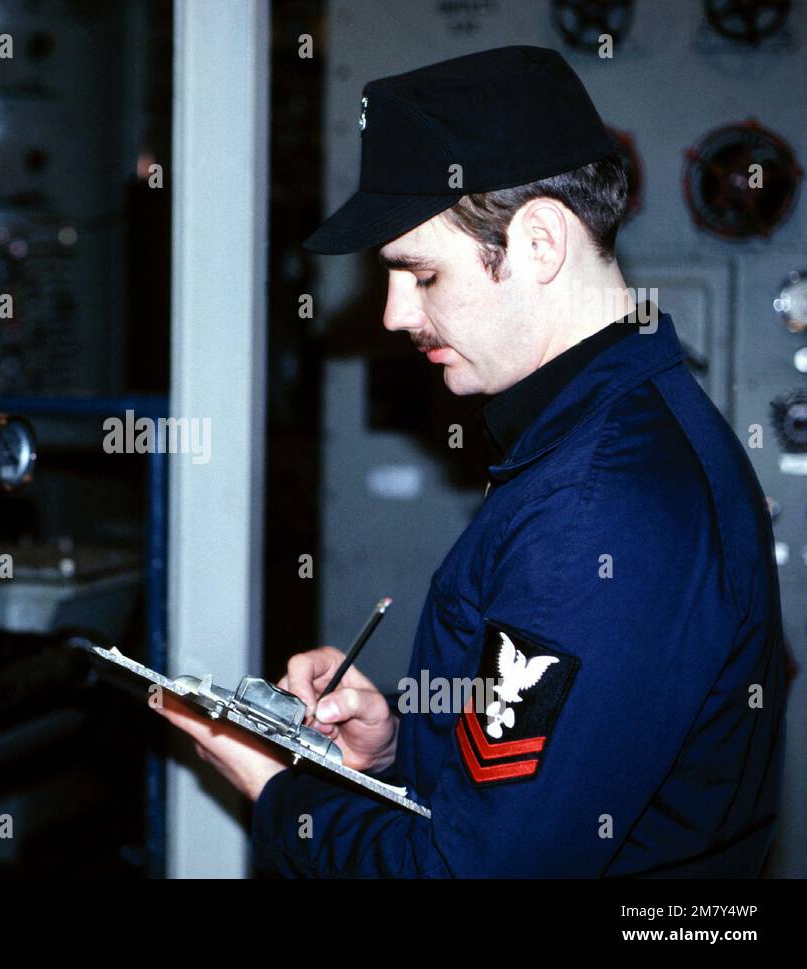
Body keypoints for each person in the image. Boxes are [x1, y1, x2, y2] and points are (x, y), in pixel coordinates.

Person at [157, 46, 786, 877]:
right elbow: (554, 780)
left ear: (537, 242)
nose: (391, 314)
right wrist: (398, 747)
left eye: (418, 272)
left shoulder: (598, 505)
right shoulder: (615, 428)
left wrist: (283, 795)